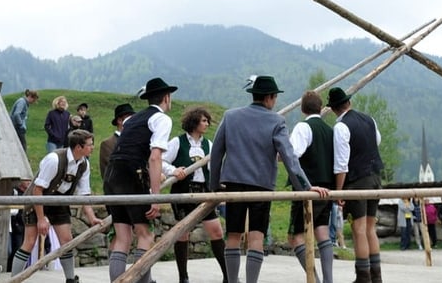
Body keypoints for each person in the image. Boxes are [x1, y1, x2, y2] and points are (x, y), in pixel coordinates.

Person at [210, 76, 328, 283]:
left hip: (234, 184)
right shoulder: (277, 121)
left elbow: (217, 153)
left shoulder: (230, 116)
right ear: (270, 98)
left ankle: (231, 280)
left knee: (233, 236)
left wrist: (214, 186)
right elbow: (290, 160)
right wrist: (306, 188)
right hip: (261, 186)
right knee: (256, 237)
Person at [105, 77, 178, 283]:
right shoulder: (162, 119)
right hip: (132, 174)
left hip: (112, 174)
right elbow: (155, 157)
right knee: (145, 235)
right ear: (167, 97)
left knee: (122, 237)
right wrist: (155, 196)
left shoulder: (131, 120)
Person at [11, 129, 103, 283]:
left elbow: (84, 194)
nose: (92, 147)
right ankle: (14, 280)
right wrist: (41, 219)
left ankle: (70, 279)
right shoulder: (54, 159)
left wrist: (92, 217)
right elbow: (37, 189)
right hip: (37, 201)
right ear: (78, 147)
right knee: (30, 241)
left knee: (67, 241)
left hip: (59, 203)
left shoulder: (84, 164)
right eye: (90, 145)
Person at [162, 106, 228, 283]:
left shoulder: (209, 145)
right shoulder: (178, 142)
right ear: (194, 122)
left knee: (216, 231)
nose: (207, 123)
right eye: (203, 120)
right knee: (183, 233)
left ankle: (228, 276)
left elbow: (214, 169)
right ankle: (183, 277)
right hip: (183, 192)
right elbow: (161, 161)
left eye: (207, 120)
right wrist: (174, 170)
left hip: (204, 192)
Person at [327, 86, 384, 283]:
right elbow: (377, 141)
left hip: (357, 181)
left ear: (334, 109)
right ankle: (376, 276)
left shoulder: (341, 127)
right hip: (376, 178)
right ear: (348, 102)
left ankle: (363, 277)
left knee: (358, 229)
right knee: (370, 229)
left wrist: (339, 191)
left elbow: (341, 164)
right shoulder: (369, 119)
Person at [285, 91, 335, 283]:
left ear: (302, 108)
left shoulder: (303, 127)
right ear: (321, 108)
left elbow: (293, 156)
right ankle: (328, 280)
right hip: (327, 189)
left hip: (308, 189)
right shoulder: (330, 130)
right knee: (322, 232)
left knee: (296, 237)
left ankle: (313, 279)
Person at [100, 103, 135, 180]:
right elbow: (108, 174)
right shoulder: (108, 144)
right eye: (130, 118)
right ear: (119, 120)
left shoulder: (135, 141)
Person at [7, 179, 31, 272]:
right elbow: (14, 210)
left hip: (25, 224)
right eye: (26, 180)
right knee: (15, 248)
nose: (29, 182)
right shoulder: (15, 192)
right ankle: (11, 270)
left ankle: (21, 270)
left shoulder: (29, 193)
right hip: (16, 225)